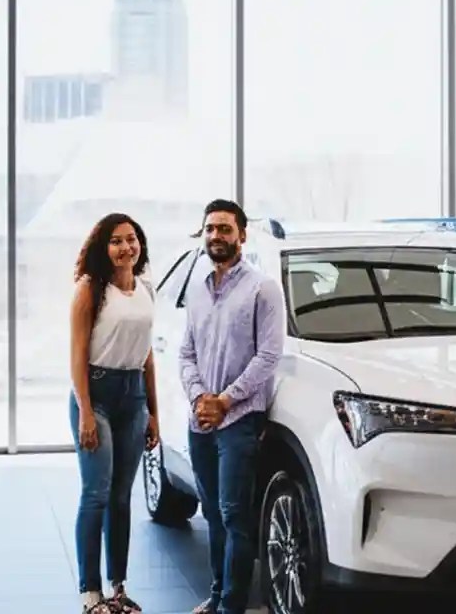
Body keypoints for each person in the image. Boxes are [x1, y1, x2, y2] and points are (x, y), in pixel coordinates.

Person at [178, 199, 285, 614]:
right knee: (212, 512)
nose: (216, 236)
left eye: (224, 229)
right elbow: (186, 352)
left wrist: (225, 400)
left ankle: (232, 605)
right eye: (209, 229)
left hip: (239, 419)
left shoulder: (262, 288)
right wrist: (198, 398)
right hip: (201, 417)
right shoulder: (197, 289)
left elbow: (269, 356)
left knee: (235, 515)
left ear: (241, 234)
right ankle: (218, 594)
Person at [69, 213, 162, 614]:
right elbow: (76, 356)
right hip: (97, 394)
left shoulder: (146, 288)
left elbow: (147, 357)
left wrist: (154, 412)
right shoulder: (91, 289)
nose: (126, 247)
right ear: (103, 247)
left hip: (133, 397)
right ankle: (91, 594)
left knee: (121, 497)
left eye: (132, 239)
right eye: (116, 241)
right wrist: (86, 411)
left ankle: (118, 588)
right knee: (96, 493)